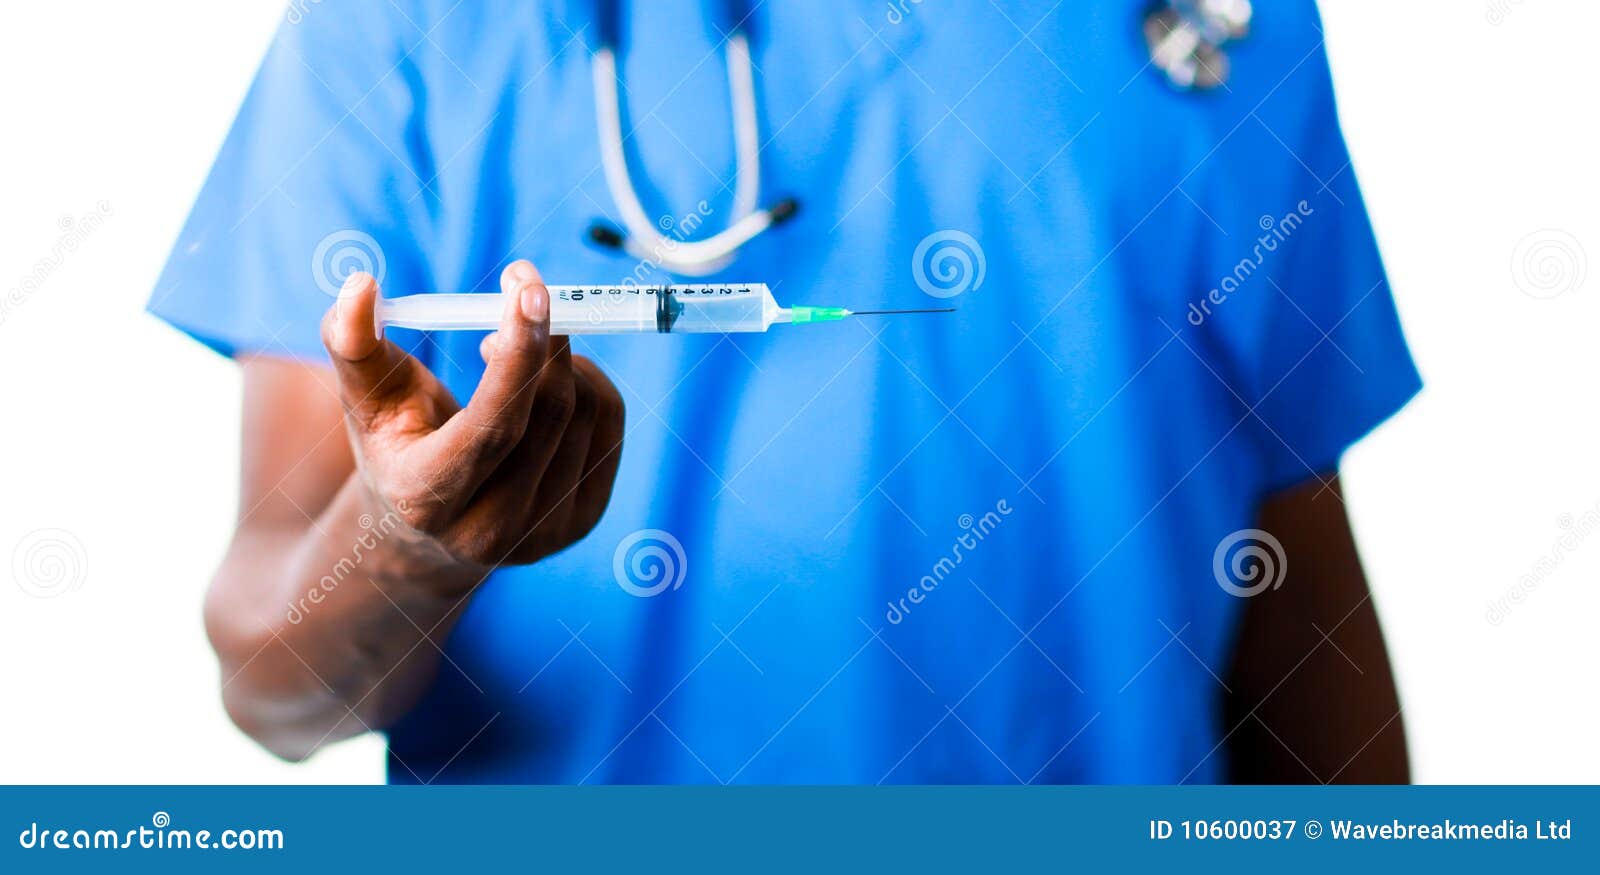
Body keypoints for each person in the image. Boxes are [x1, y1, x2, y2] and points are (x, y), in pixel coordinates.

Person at [150, 0, 1419, 783]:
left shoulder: (1211, 25)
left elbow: (1295, 606)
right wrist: (406, 538)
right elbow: (270, 681)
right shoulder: (406, 26)